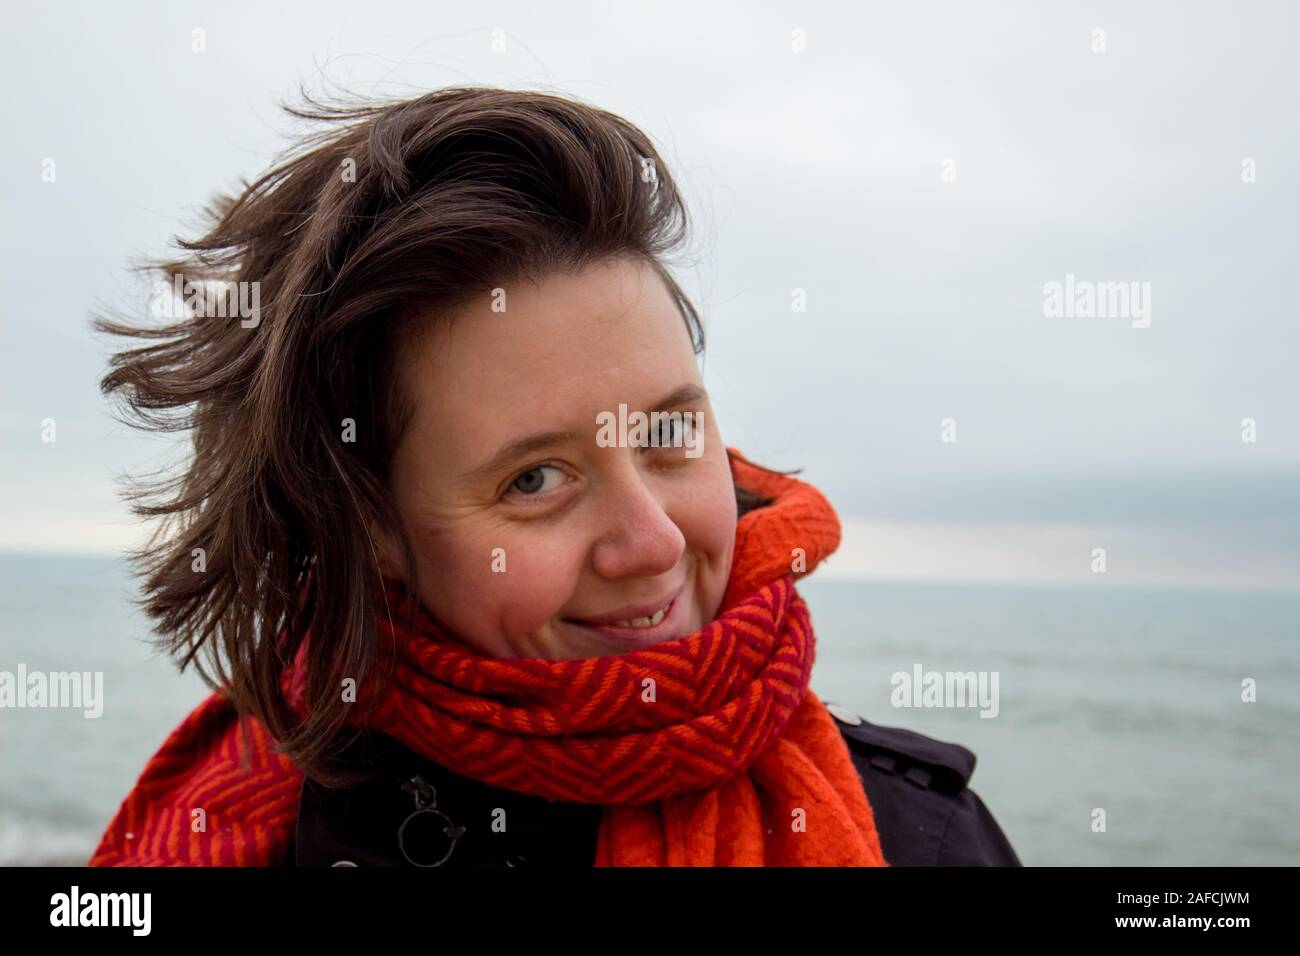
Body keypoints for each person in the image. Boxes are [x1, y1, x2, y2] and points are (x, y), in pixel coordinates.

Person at [88, 85, 1020, 867]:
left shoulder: (919, 840)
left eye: (667, 431)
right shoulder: (253, 811)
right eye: (535, 479)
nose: (653, 542)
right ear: (367, 518)